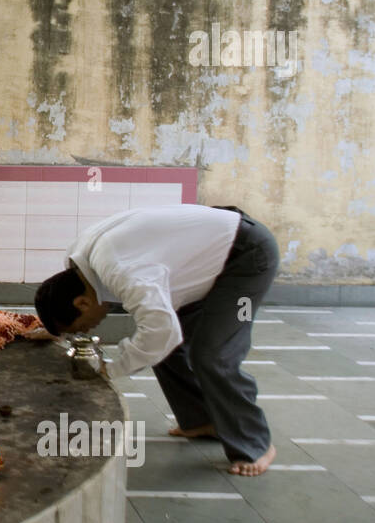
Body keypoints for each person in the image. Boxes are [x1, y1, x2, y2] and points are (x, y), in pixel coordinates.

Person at [34, 204, 280, 476]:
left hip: (247, 257)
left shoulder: (121, 271)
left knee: (213, 355)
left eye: (81, 326)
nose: (88, 328)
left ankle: (256, 444)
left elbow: (159, 331)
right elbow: (161, 334)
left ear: (81, 303)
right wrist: (52, 329)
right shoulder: (78, 265)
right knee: (169, 348)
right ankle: (202, 419)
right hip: (203, 262)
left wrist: (111, 369)